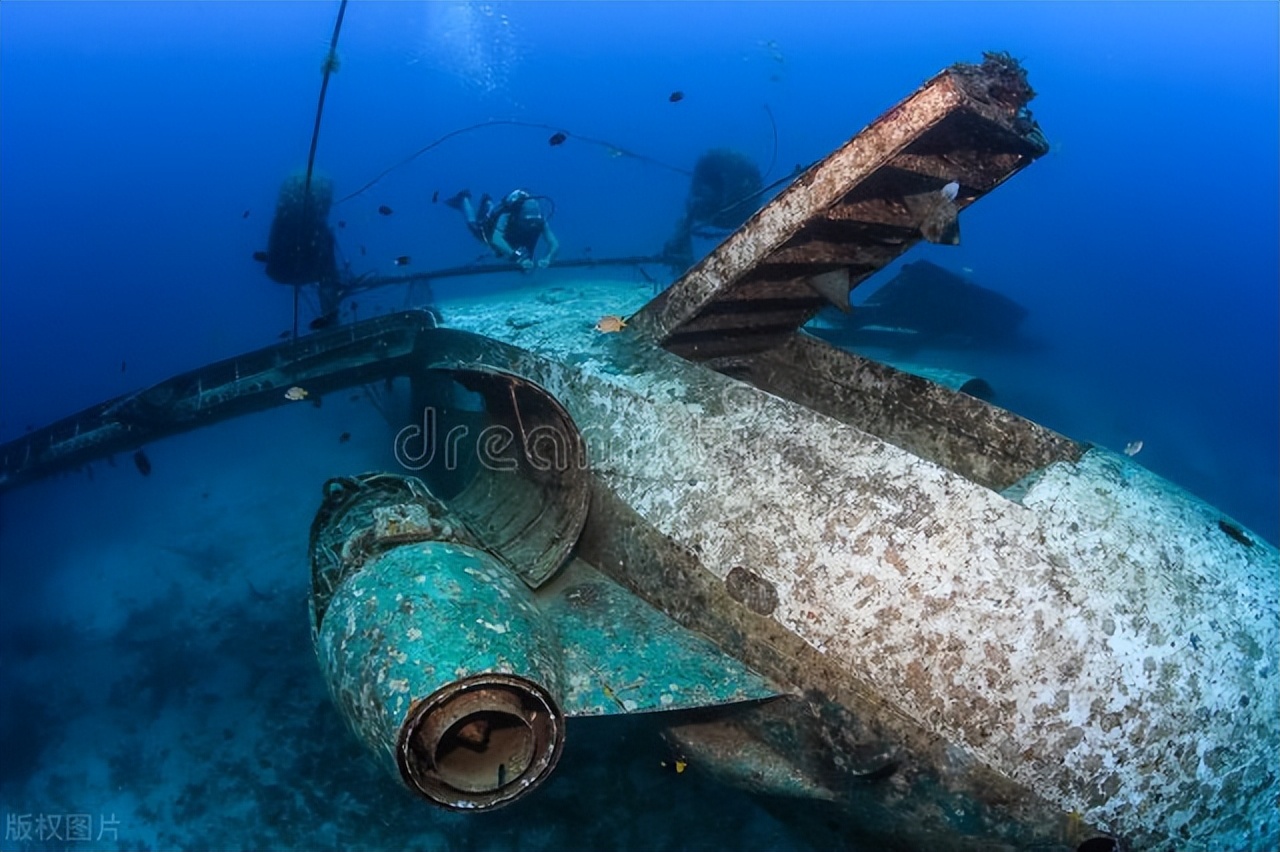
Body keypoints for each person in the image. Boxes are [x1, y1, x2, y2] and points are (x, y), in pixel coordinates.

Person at [446, 188, 559, 270]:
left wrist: (548, 258)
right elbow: (496, 239)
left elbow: (553, 243)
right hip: (496, 228)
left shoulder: (539, 220)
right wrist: (517, 257)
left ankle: (487, 202)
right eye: (527, 222)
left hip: (513, 235)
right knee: (475, 227)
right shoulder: (507, 215)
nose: (531, 225)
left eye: (533, 222)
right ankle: (464, 199)